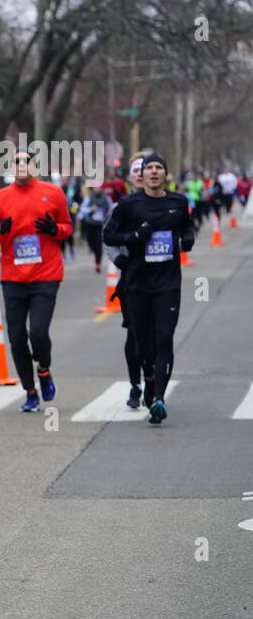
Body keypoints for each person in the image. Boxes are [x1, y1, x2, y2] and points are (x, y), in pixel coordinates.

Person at [103, 153, 193, 424]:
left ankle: (159, 399)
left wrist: (185, 242)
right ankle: (149, 378)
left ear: (165, 174)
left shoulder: (178, 202)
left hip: (167, 283)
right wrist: (133, 237)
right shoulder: (128, 205)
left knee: (164, 337)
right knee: (143, 345)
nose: (154, 172)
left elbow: (188, 230)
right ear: (142, 175)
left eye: (159, 168)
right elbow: (108, 235)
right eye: (149, 168)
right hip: (137, 284)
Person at [0, 148, 73, 413]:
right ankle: (30, 391)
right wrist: (1, 230)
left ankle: (43, 370)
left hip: (46, 275)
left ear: (35, 167)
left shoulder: (53, 193)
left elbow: (67, 227)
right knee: (17, 337)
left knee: (39, 333)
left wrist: (55, 230)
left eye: (26, 162)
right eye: (16, 162)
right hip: (13, 278)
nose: (21, 165)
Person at [107, 158, 146, 407]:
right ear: (130, 177)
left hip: (160, 278)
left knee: (156, 335)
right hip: (131, 279)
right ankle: (135, 384)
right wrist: (118, 259)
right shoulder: (120, 207)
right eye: (136, 171)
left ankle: (153, 381)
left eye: (146, 170)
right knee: (134, 334)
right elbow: (107, 237)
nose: (141, 175)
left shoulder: (168, 204)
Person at [81, 184, 110, 273]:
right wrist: (90, 209)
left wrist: (107, 217)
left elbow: (111, 209)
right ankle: (95, 253)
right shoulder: (89, 198)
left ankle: (98, 263)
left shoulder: (106, 198)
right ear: (93, 188)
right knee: (91, 242)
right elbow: (82, 209)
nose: (98, 188)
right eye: (96, 187)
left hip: (100, 225)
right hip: (90, 224)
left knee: (98, 244)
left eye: (99, 187)